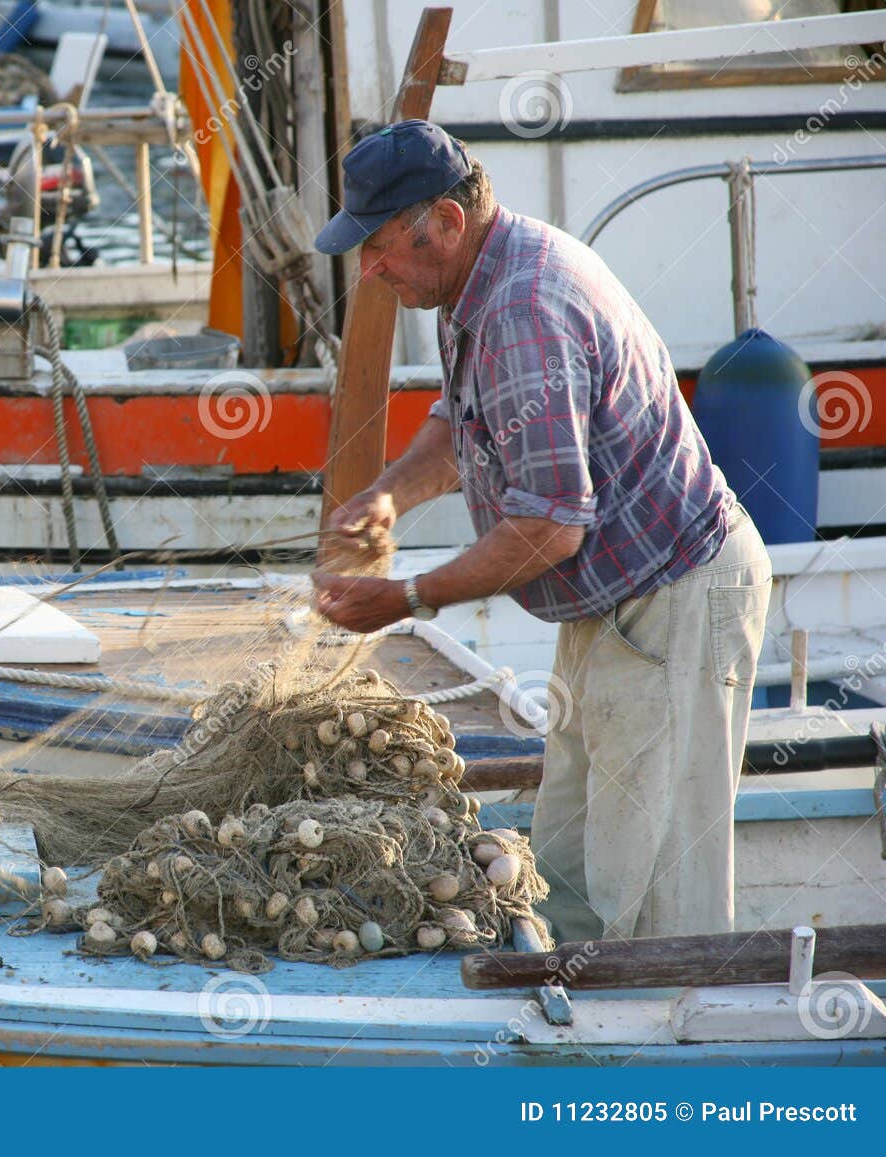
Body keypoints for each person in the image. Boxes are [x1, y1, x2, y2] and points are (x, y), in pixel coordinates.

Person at [310, 120, 771, 941]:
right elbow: (459, 421)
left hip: (676, 595)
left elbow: (552, 526)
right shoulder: (476, 281)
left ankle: (670, 1040)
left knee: (653, 886)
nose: (370, 271)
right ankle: (574, 1026)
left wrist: (408, 595)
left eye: (378, 248)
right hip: (612, 601)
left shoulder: (522, 307)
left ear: (446, 224)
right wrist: (390, 495)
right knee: (565, 863)